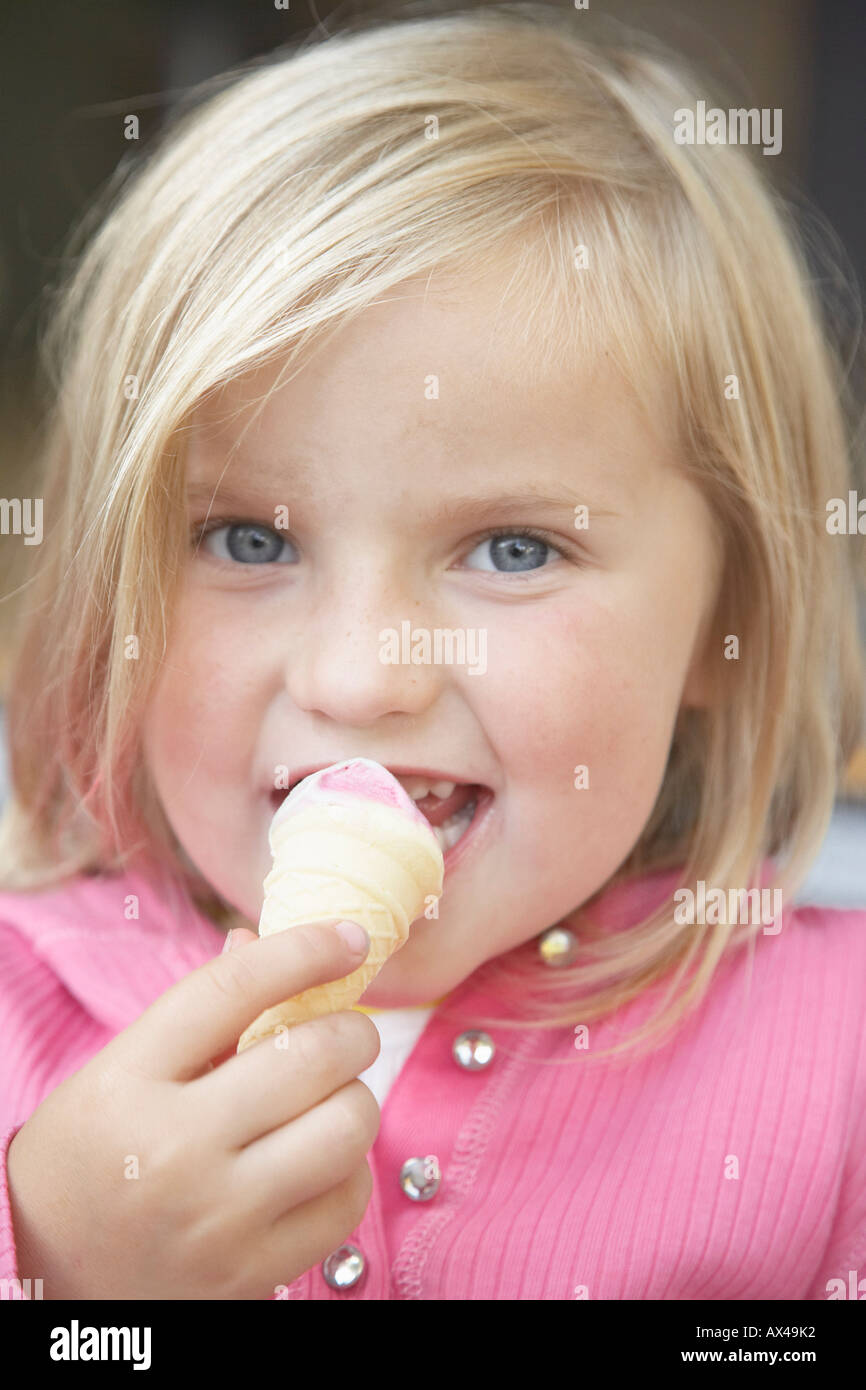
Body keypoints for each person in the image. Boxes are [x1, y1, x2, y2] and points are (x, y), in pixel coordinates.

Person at [0, 2, 864, 1301]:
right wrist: (69, 1285)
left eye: (511, 549)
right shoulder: (20, 1017)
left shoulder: (835, 1065)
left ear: (726, 620)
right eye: (244, 537)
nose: (358, 677)